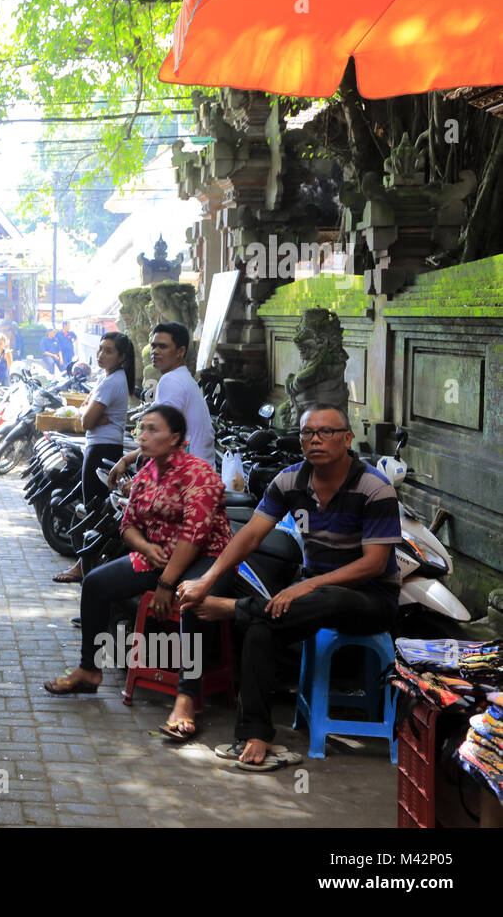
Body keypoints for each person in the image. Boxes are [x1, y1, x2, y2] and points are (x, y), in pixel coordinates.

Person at [177, 403, 402, 770]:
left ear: (347, 438)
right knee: (262, 629)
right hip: (314, 595)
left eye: (325, 432)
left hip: (370, 600)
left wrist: (304, 588)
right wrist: (207, 579)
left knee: (314, 597)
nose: (314, 440)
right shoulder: (289, 480)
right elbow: (250, 534)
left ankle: (236, 608)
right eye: (307, 433)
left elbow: (373, 564)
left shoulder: (374, 489)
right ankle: (255, 733)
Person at [44, 405, 232, 741]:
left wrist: (166, 584)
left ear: (175, 438)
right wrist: (145, 549)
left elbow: (194, 538)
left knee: (191, 597)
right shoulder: (146, 472)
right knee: (95, 583)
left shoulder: (199, 474)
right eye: (141, 429)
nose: (142, 437)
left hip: (204, 558)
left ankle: (186, 697)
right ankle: (89, 670)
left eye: (152, 430)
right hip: (158, 555)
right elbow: (127, 525)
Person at [52, 332, 134, 585]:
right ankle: (85, 565)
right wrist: (94, 416)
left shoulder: (111, 382)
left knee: (95, 511)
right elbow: (86, 411)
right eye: (100, 349)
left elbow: (85, 420)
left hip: (102, 450)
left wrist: (92, 417)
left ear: (122, 357)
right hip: (101, 446)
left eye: (109, 351)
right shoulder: (108, 378)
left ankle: (85, 568)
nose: (101, 355)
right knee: (96, 509)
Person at [107, 322, 215, 490]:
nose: (155, 351)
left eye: (162, 346)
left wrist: (137, 476)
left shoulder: (171, 381)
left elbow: (162, 439)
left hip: (186, 482)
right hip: (196, 477)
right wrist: (128, 460)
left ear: (181, 351)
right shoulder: (182, 378)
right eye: (153, 346)